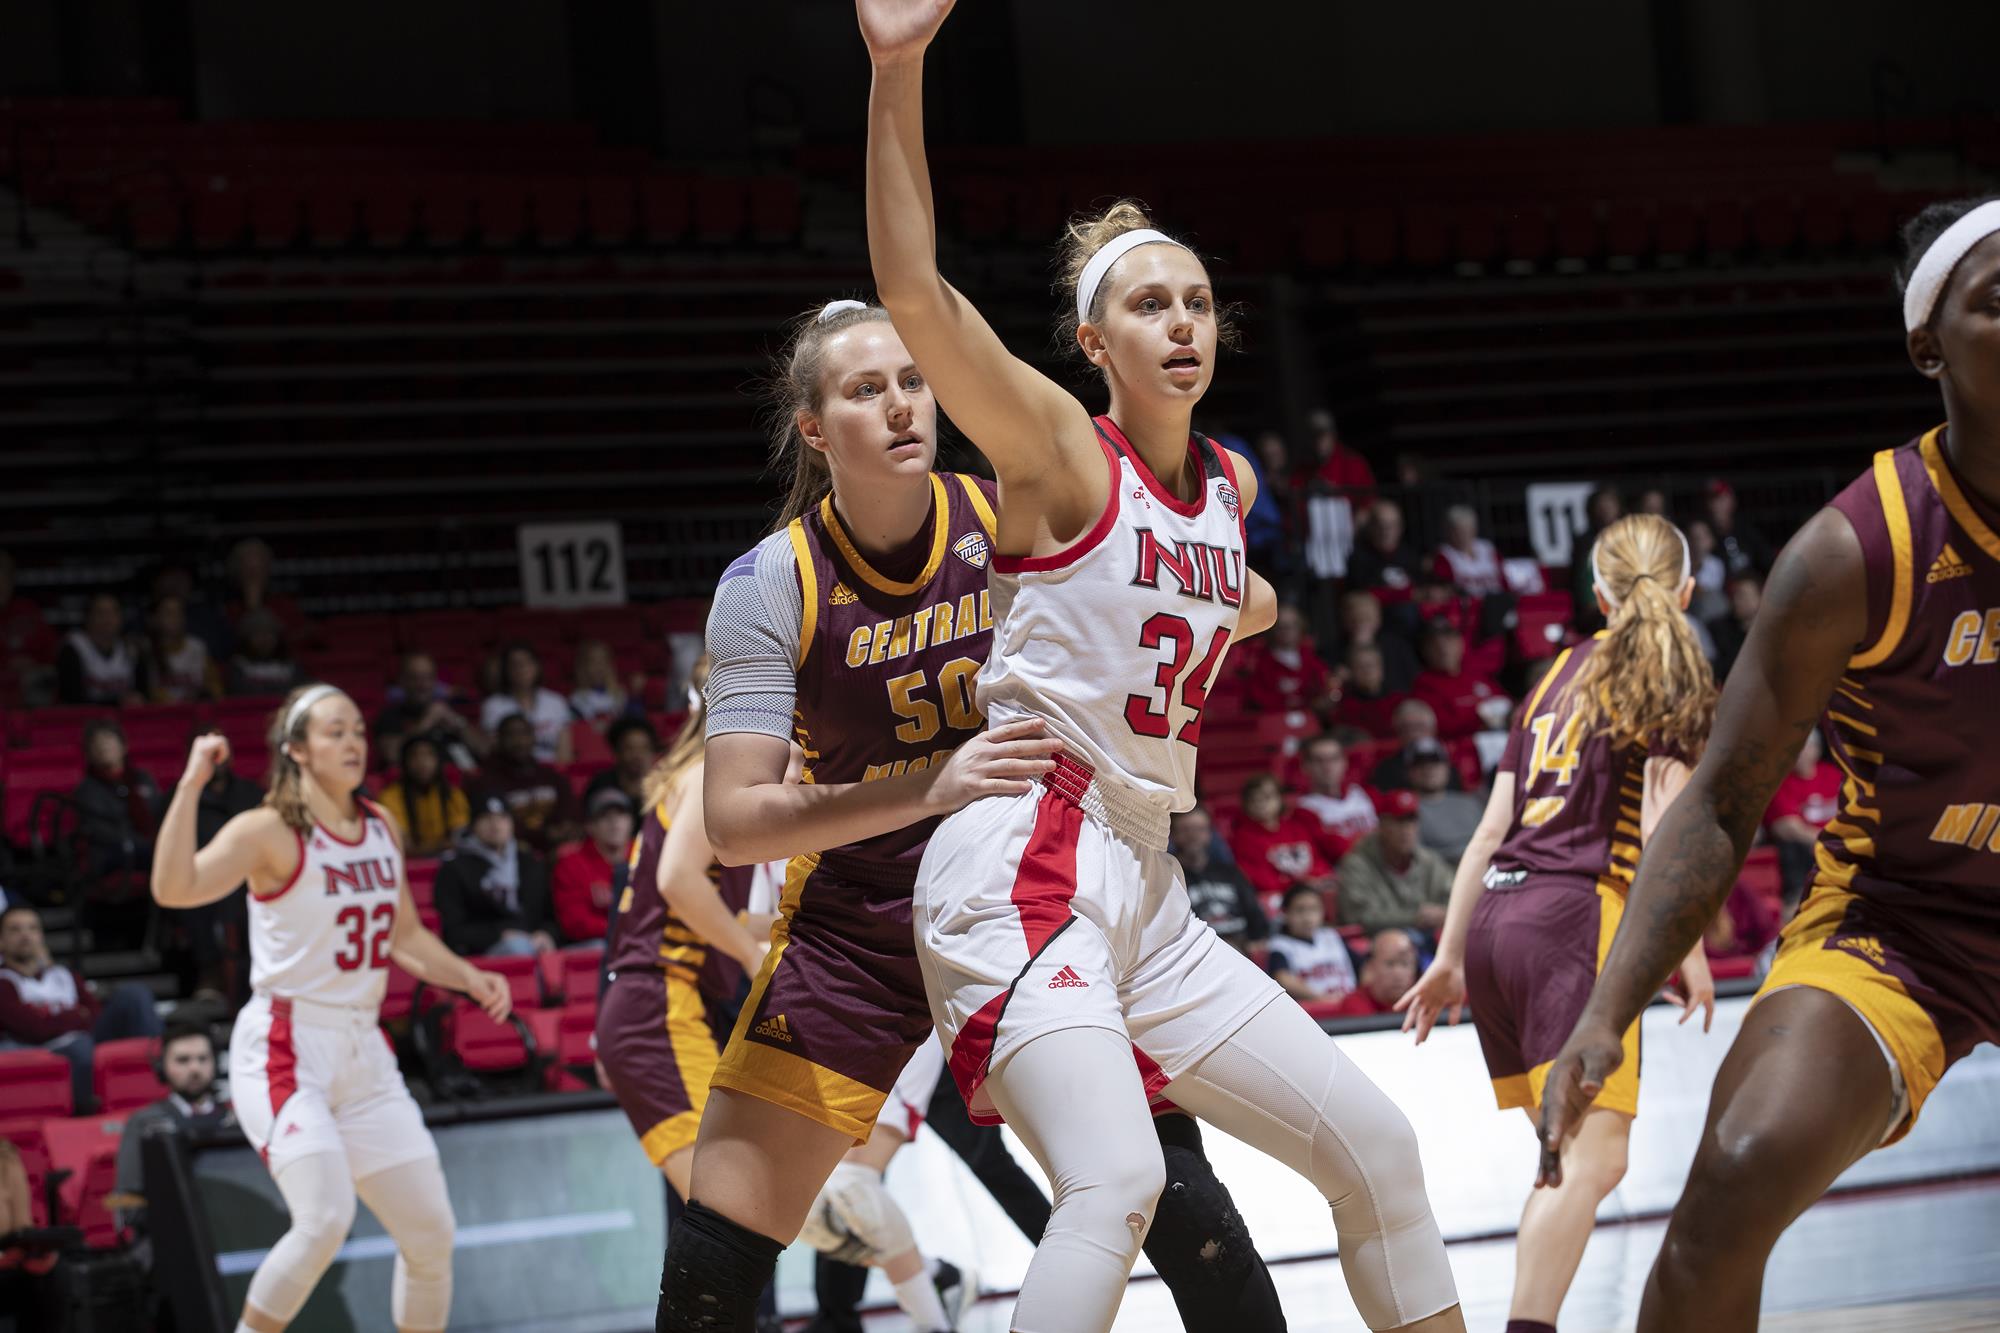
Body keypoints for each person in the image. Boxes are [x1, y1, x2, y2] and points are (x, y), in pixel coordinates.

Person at [863, 8, 1462, 1329]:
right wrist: (898, 67)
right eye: (1150, 305)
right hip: (1023, 860)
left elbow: (1223, 593)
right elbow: (914, 291)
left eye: (1197, 302)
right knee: (1116, 1177)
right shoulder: (1065, 450)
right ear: (1096, 341)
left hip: (1144, 879)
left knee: (1378, 1147)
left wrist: (1229, 612)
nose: (1183, 323)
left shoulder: (1230, 480)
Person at [660, 289, 1296, 1330]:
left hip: (1028, 897)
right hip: (859, 928)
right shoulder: (769, 581)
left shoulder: (1008, 508)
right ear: (815, 429)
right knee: (711, 1269)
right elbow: (732, 821)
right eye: (867, 391)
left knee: (1191, 1215)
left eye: (913, 381)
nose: (904, 405)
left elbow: (1234, 593)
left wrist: (1198, 589)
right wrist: (930, 782)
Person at [1538, 198, 2000, 1333]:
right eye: (1998, 301)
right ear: (1925, 343)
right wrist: (1606, 1010)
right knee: (1735, 1173)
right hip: (1906, 923)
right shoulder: (1855, 547)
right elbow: (1720, 802)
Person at [1399, 513, 1719, 1333]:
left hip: (1498, 920)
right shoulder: (1670, 668)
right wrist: (1685, 944)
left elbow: (1487, 831)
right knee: (1594, 1158)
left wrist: (1448, 956)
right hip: (1577, 919)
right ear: (1686, 590)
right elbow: (1665, 830)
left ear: (1599, 592)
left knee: (1566, 1159)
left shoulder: (1554, 673)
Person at [151, 684, 510, 1333]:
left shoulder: (380, 823)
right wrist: (190, 785)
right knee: (323, 1218)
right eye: (334, 731)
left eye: (358, 731)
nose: (352, 742)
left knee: (431, 1232)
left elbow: (404, 935)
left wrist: (467, 976)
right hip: (287, 1043)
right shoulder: (268, 829)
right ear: (296, 749)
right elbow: (174, 887)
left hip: (363, 1048)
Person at [594, 656, 786, 1329]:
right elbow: (678, 883)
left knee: (721, 1231)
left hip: (658, 1004)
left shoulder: (695, 777)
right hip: (659, 1006)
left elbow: (680, 906)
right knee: (733, 1225)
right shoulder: (710, 774)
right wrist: (750, 949)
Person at [0, 903, 163, 1112]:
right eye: (15, 929)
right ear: (1, 940)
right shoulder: (4, 982)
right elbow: (33, 1030)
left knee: (134, 995)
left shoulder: (62, 974)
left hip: (84, 1039)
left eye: (32, 928)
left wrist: (54, 1018)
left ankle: (160, 1075)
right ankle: (86, 1113)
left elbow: (95, 1013)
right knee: (80, 1047)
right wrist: (77, 1015)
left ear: (41, 936)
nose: (25, 935)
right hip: (42, 1049)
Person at [113, 1018, 236, 1262]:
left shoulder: (235, 1121)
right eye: (183, 1060)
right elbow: (126, 1201)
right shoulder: (144, 1123)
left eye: (203, 1059)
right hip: (172, 1244)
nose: (194, 1068)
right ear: (162, 1067)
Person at [434, 798, 559, 957]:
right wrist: (499, 934)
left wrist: (546, 933)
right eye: (486, 818)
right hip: (481, 955)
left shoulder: (530, 862)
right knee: (517, 947)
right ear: (473, 825)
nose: (495, 825)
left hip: (534, 944)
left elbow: (552, 915)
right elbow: (453, 931)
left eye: (502, 818)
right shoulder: (454, 869)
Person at [1336, 790, 1454, 945]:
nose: (1406, 830)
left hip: (1428, 938)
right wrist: (1414, 917)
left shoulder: (1428, 860)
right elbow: (1359, 916)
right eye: (1398, 822)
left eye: (1411, 821)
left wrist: (1442, 913)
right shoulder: (1357, 864)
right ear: (1382, 825)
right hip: (1380, 943)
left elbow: (1452, 895)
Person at [468, 714, 579, 854]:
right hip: (512, 852)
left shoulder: (552, 776)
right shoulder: (485, 781)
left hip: (556, 847)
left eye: (524, 733)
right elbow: (493, 825)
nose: (519, 741)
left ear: (533, 737)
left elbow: (568, 809)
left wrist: (565, 826)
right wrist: (544, 835)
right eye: (511, 735)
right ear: (499, 739)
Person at [74, 719, 165, 885]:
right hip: (112, 853)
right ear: (88, 753)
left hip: (146, 847)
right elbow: (102, 832)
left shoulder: (142, 778)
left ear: (124, 746)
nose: (103, 747)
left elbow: (159, 812)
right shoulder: (87, 789)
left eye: (108, 741)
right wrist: (149, 844)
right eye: (97, 744)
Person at [1229, 773, 1339, 909]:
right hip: (1280, 896)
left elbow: (1316, 860)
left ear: (1280, 798)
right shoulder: (1242, 838)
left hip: (1314, 887)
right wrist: (1300, 885)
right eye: (1254, 800)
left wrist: (1318, 878)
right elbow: (1257, 878)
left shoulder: (1297, 827)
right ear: (1246, 804)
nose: (1261, 804)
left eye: (1267, 797)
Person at [1761, 728, 1839, 912]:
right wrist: (1827, 843)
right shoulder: (1781, 782)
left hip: (1836, 846)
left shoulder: (1833, 775)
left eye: (1804, 747)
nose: (1799, 753)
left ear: (1816, 749)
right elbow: (1787, 827)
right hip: (1807, 852)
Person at [1172, 805, 1267, 952]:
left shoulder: (1231, 873)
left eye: (1199, 829)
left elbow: (1255, 916)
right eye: (1185, 829)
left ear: (1210, 833)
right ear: (1173, 835)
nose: (1193, 835)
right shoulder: (1170, 878)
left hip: (1241, 948)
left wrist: (1256, 941)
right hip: (1198, 952)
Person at [375, 652, 490, 772]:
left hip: (467, 779)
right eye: (415, 678)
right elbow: (392, 754)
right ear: (402, 681)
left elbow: (484, 750)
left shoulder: (447, 710)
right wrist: (426, 722)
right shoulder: (391, 715)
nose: (422, 685)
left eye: (427, 678)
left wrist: (456, 722)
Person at [553, 788, 635, 945]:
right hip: (595, 944)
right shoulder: (571, 864)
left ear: (631, 822)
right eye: (605, 817)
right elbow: (574, 922)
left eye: (621, 815)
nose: (614, 823)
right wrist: (620, 929)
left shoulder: (645, 856)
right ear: (590, 826)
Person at [1411, 619, 1509, 742]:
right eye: (1433, 644)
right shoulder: (1424, 685)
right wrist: (1481, 720)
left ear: (1460, 643)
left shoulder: (1476, 674)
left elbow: (1503, 701)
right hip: (1463, 752)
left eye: (1448, 641)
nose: (1442, 648)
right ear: (1424, 651)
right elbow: (1444, 726)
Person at [377, 736, 470, 860]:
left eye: (429, 755)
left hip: (449, 864)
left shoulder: (454, 795)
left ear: (439, 761)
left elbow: (459, 839)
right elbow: (402, 846)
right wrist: (441, 846)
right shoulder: (390, 797)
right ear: (404, 763)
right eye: (414, 756)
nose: (422, 761)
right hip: (407, 866)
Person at [481, 644, 575, 764]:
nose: (522, 668)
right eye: (515, 665)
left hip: (551, 772)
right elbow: (493, 750)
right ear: (506, 670)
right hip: (512, 773)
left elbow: (565, 753)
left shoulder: (556, 702)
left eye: (527, 662)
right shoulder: (493, 705)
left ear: (537, 666)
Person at [1294, 733, 1378, 863]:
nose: (1327, 767)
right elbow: (1336, 851)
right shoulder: (1304, 809)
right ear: (1305, 767)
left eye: (1334, 759)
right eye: (1319, 760)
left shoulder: (1361, 792)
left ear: (1344, 762)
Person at [1267, 884, 1357, 1004]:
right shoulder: (1280, 945)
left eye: (1314, 909)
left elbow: (1365, 969)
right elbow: (1283, 978)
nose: (1307, 918)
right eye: (1300, 910)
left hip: (1350, 1005)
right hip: (1313, 1011)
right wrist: (1321, 998)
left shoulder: (1331, 936)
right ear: (1286, 913)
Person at [1241, 603, 1334, 716]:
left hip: (1310, 720)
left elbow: (1326, 687)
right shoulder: (1260, 662)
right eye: (1281, 626)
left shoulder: (1311, 659)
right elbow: (1256, 698)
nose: (1286, 631)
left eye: (1292, 625)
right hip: (1275, 721)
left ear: (1301, 628)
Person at [1406, 739, 1485, 865]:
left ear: (1447, 768)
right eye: (1420, 764)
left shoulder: (1470, 802)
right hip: (1443, 874)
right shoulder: (1407, 811)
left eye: (1435, 762)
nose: (1428, 769)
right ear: (1410, 772)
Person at [57, 590, 142, 705]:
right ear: (88, 617)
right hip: (85, 718)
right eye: (100, 613)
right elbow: (71, 699)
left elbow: (141, 692)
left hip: (125, 719)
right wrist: (116, 703)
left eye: (113, 612)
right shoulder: (74, 648)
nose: (107, 619)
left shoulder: (131, 647)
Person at [223, 538, 307, 648]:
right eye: (250, 572)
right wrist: (252, 607)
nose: (255, 578)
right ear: (237, 573)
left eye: (260, 569)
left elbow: (301, 634)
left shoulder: (284, 605)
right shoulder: (226, 609)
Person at [1333, 589, 1419, 693]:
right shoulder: (1333, 651)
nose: (1361, 623)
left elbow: (1412, 681)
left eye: (1367, 618)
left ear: (1378, 619)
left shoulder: (1396, 646)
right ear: (1344, 620)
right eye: (1355, 618)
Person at [142, 594, 222, 703]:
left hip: (195, 712)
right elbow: (151, 692)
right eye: (168, 613)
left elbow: (215, 687)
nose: (175, 618)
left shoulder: (197, 647)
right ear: (156, 618)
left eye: (179, 612)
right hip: (166, 715)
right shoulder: (148, 650)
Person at [1568, 488, 1624, 636]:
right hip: (1596, 613)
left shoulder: (1628, 539)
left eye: (1609, 505)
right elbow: (1582, 584)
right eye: (1600, 506)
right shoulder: (1585, 544)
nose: (1605, 510)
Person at [1348, 499, 1422, 607]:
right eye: (1380, 525)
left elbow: (1420, 591)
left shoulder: (1410, 556)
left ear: (1400, 527)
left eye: (1392, 525)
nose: (1386, 531)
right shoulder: (1359, 558)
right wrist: (1405, 595)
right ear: (1370, 527)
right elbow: (1363, 595)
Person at [1332, 929, 1422, 1018]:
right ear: (1371, 967)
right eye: (1390, 964)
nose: (1398, 973)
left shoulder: (1423, 1001)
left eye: (1405, 964)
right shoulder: (1354, 1003)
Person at [1702, 479, 1776, 579]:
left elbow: (1767, 558)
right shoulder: (1703, 533)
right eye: (1712, 500)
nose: (1716, 505)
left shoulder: (1745, 529)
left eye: (1721, 499)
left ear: (1732, 500)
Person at [1331, 641, 1405, 740]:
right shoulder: (1344, 707)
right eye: (1360, 667)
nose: (1367, 671)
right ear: (1352, 672)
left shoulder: (1399, 702)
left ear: (1381, 669)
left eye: (1371, 665)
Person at [586, 717, 660, 810]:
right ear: (617, 752)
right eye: (629, 748)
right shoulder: (601, 785)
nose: (637, 756)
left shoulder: (662, 786)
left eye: (644, 749)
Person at [1432, 505, 1505, 598]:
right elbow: (1446, 589)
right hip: (1466, 606)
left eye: (1468, 529)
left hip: (1496, 602)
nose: (1464, 534)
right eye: (1459, 530)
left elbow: (1504, 580)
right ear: (1449, 531)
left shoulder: (1487, 549)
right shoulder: (1445, 555)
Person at [570, 639, 643, 731]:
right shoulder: (577, 699)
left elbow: (635, 723)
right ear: (584, 667)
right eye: (593, 662)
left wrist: (636, 696)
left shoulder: (621, 694)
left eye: (603, 662)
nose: (599, 667)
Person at [226, 609, 300, 697]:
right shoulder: (239, 665)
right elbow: (242, 692)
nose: (265, 639)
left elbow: (300, 689)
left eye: (269, 633)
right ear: (246, 638)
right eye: (258, 634)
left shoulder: (289, 665)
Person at [1706, 572, 1762, 681]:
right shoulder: (1719, 630)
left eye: (1742, 595)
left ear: (1760, 597)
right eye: (1735, 595)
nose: (1736, 601)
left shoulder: (1770, 634)